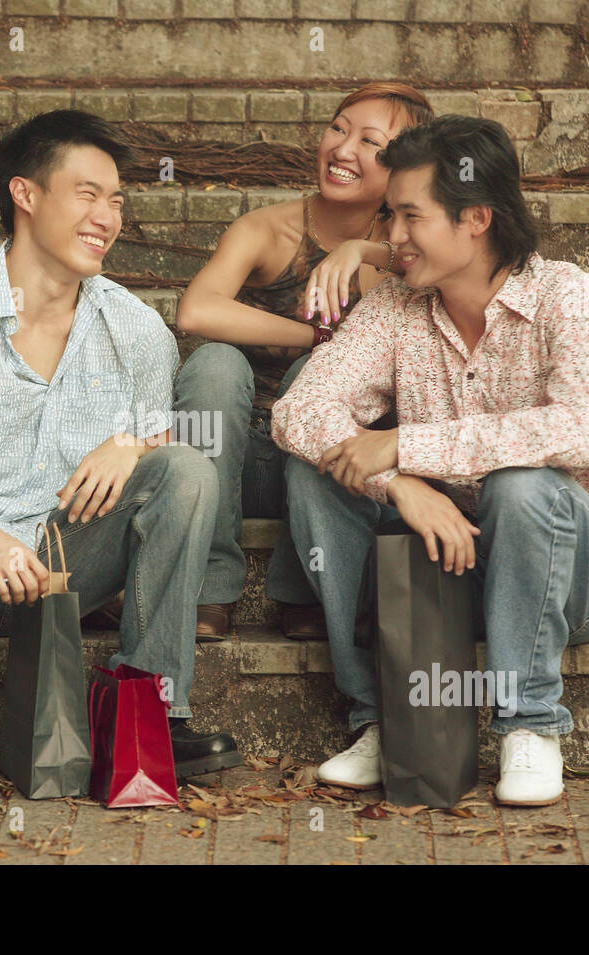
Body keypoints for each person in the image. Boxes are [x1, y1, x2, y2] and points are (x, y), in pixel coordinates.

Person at [0, 109, 242, 833]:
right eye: (88, 193)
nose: (108, 216)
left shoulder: (136, 329)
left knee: (184, 467)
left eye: (118, 199)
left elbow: (162, 461)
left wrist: (134, 447)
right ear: (25, 195)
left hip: (69, 566)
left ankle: (150, 712)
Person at [270, 115, 589, 806]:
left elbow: (574, 432)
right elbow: (297, 412)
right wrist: (400, 485)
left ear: (476, 218)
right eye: (390, 215)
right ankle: (385, 716)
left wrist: (404, 445)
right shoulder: (395, 307)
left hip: (585, 561)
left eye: (409, 216)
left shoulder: (566, 296)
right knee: (316, 469)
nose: (390, 237)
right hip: (453, 554)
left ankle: (532, 724)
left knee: (522, 484)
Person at [164, 83, 433, 641]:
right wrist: (314, 337)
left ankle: (306, 587)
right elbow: (195, 310)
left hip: (319, 471)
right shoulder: (268, 229)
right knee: (214, 363)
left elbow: (460, 262)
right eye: (339, 128)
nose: (344, 150)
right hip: (232, 459)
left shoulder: (407, 245)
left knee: (314, 384)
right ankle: (209, 587)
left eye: (371, 142)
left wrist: (361, 250)